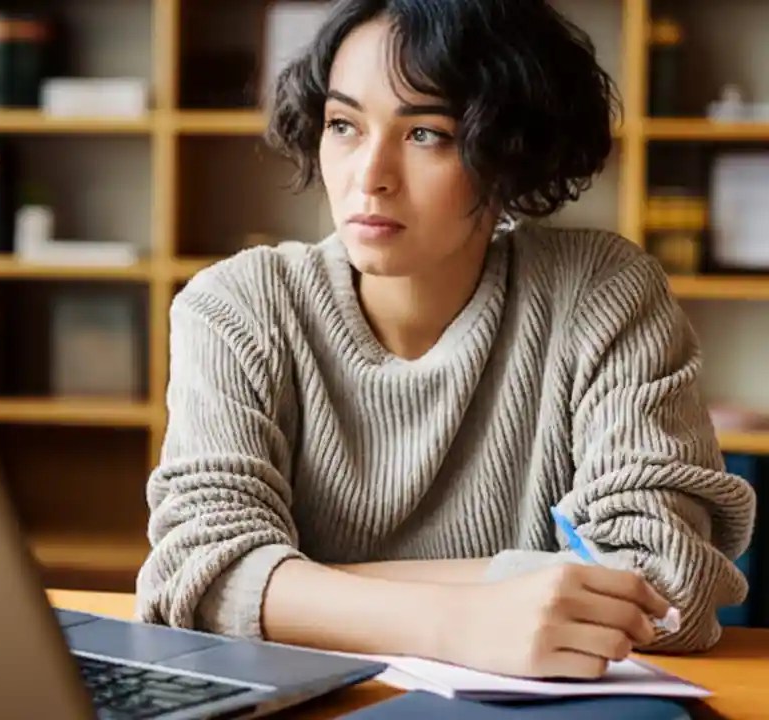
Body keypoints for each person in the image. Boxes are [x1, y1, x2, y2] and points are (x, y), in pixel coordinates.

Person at [135, 0, 756, 680]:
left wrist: (300, 585)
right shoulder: (240, 306)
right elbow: (196, 576)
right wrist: (458, 622)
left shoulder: (603, 293)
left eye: (426, 133)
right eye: (343, 125)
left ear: (510, 151)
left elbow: (666, 585)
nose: (369, 174)